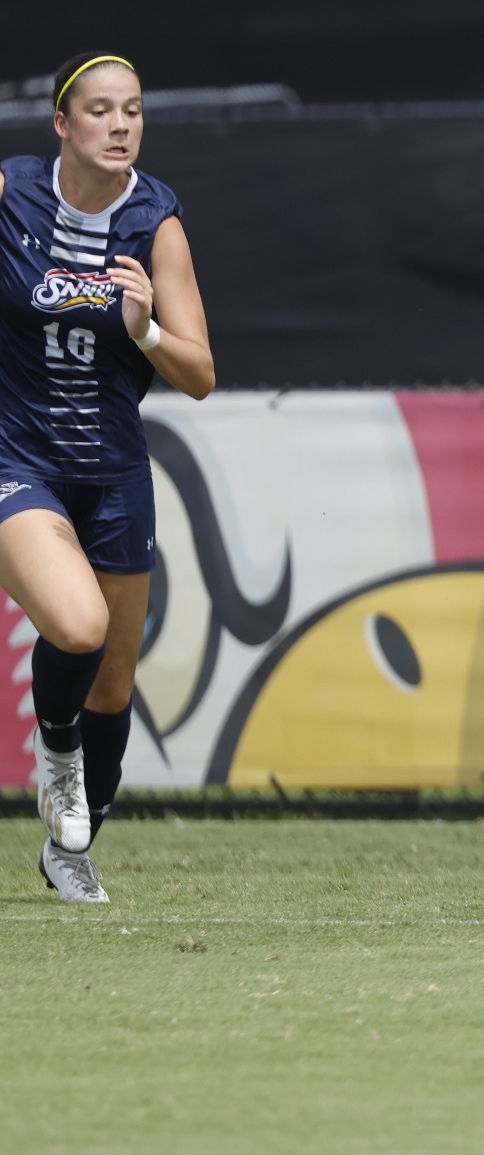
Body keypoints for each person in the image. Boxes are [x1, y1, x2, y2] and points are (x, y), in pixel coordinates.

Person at [0, 54, 215, 902]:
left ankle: (69, 852)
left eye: (132, 110)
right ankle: (55, 754)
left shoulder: (155, 221)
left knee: (117, 676)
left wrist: (148, 330)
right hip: (17, 457)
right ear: (63, 123)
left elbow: (199, 373)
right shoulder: (11, 194)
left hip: (114, 471)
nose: (120, 125)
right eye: (100, 110)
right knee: (79, 625)